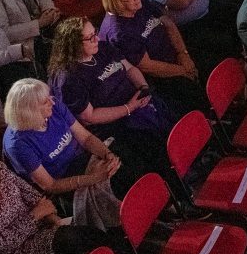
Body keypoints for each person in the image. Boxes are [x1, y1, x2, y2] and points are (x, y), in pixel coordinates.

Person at [46, 15, 175, 169]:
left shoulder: (102, 48)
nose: (96, 39)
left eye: (95, 33)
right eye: (90, 38)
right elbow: (89, 117)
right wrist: (129, 108)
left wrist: (143, 88)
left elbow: (130, 68)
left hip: (136, 102)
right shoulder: (68, 77)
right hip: (114, 125)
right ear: (73, 45)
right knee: (152, 138)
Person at [1, 79, 123, 230]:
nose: (52, 101)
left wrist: (107, 154)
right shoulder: (18, 144)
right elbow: (50, 185)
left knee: (121, 161)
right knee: (113, 187)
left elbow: (85, 138)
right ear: (30, 112)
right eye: (45, 101)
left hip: (82, 159)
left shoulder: (54, 106)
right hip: (64, 180)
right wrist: (95, 177)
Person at [97, 0, 205, 113]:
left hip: (175, 54)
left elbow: (168, 23)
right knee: (194, 93)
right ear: (118, 4)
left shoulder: (139, 2)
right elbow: (148, 66)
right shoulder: (119, 32)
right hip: (160, 77)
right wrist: (183, 70)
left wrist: (183, 54)